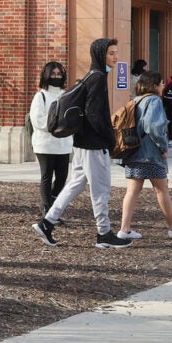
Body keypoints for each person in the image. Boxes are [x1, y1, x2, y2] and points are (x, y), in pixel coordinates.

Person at [32, 38, 131, 249]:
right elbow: (94, 114)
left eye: (116, 52)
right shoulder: (97, 78)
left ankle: (47, 223)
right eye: (111, 53)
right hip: (94, 145)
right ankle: (103, 234)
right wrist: (109, 137)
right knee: (101, 189)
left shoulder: (92, 77)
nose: (116, 57)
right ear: (100, 55)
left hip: (83, 143)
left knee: (74, 185)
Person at [115, 70, 172, 241]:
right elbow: (152, 126)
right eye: (160, 83)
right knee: (161, 189)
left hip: (134, 151)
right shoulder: (154, 101)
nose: (163, 86)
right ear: (153, 85)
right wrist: (163, 146)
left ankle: (124, 229)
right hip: (150, 154)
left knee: (132, 191)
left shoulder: (136, 100)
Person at [28, 61, 73, 213]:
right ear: (46, 75)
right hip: (45, 144)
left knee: (61, 178)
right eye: (53, 74)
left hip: (63, 144)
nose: (56, 76)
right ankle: (48, 210)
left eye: (59, 74)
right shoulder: (40, 96)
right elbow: (38, 120)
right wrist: (56, 126)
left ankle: (51, 202)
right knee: (46, 177)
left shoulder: (66, 95)